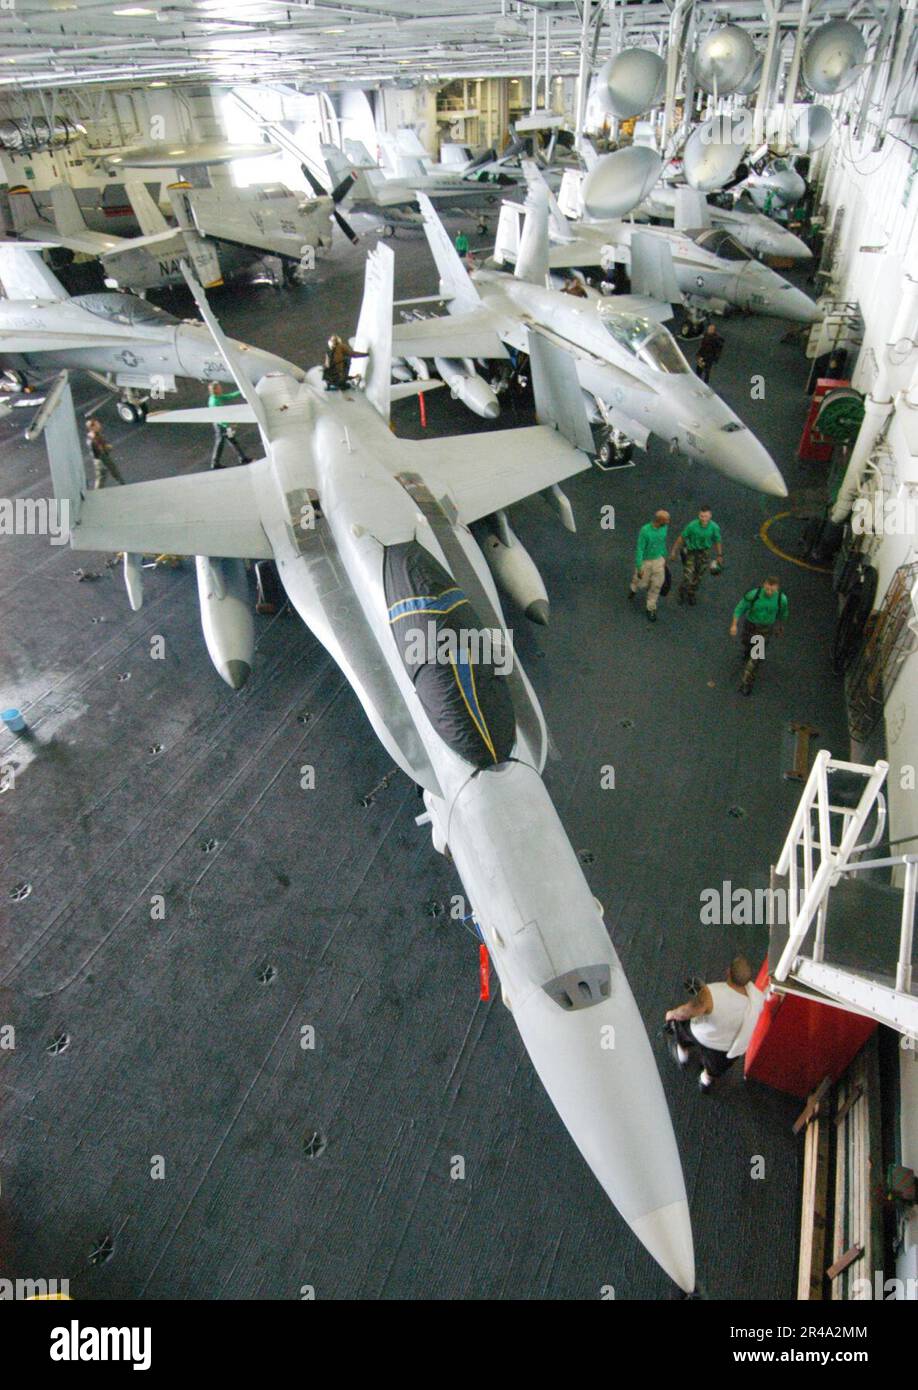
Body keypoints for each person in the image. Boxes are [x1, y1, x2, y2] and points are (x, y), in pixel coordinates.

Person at [665, 955, 765, 1093]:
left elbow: (687, 1012)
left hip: (701, 1034)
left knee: (681, 1027)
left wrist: (671, 1014)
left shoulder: (711, 994)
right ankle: (705, 1082)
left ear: (728, 972)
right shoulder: (757, 1001)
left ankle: (682, 1056)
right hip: (725, 1048)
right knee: (714, 1069)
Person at [730, 576, 788, 695]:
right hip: (750, 626)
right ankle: (747, 649)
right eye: (767, 589)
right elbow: (740, 608)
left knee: (755, 659)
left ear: (777, 588)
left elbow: (783, 614)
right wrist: (734, 624)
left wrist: (780, 627)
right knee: (747, 643)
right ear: (764, 585)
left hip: (764, 631)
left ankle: (747, 682)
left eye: (772, 590)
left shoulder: (781, 600)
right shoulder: (754, 594)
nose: (769, 592)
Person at [670, 506, 723, 606]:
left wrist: (719, 555)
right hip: (692, 552)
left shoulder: (714, 527)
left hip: (704, 553)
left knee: (698, 576)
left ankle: (691, 593)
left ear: (710, 516)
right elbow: (681, 538)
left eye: (706, 516)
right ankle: (682, 591)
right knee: (688, 576)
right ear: (699, 515)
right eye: (701, 516)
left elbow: (718, 540)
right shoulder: (692, 526)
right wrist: (673, 551)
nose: (703, 519)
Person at [628, 509, 670, 622]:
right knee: (640, 581)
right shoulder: (645, 531)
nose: (668, 522)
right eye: (666, 520)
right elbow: (640, 548)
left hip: (658, 560)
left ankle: (651, 607)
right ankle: (634, 587)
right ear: (660, 520)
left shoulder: (664, 528)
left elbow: (662, 542)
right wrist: (639, 565)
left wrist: (664, 557)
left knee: (657, 585)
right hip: (646, 561)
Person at [208, 381, 251, 469]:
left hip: (222, 424)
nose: (221, 388)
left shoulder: (216, 397)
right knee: (220, 443)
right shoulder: (215, 402)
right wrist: (229, 425)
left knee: (231, 440)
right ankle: (215, 463)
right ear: (216, 389)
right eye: (219, 387)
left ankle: (242, 458)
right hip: (221, 426)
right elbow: (219, 417)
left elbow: (229, 396)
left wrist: (242, 391)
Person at [85, 418, 124, 489]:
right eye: (97, 424)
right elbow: (100, 449)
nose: (99, 425)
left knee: (114, 470)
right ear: (92, 427)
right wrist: (107, 447)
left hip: (103, 457)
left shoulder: (95, 435)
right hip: (100, 459)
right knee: (101, 476)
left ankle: (122, 483)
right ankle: (97, 492)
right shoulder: (93, 438)